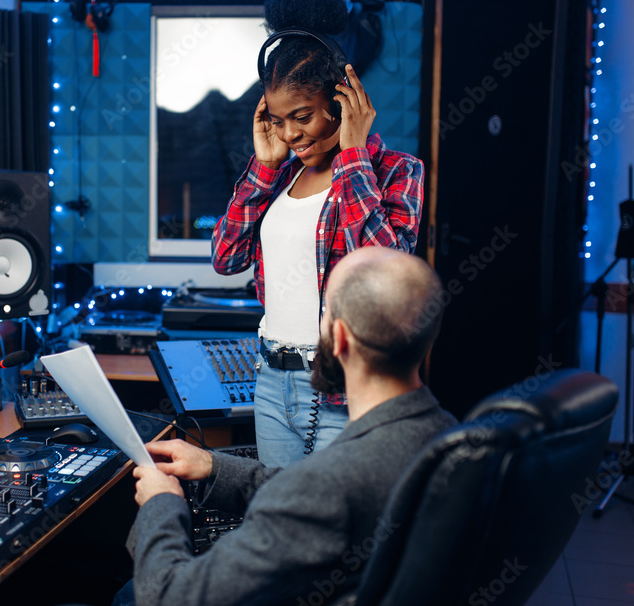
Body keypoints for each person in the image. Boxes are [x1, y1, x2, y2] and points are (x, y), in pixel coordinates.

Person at [117, 246, 456, 606]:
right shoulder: (444, 432)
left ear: (338, 337)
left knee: (129, 595)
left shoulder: (330, 483)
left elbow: (170, 597)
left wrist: (161, 503)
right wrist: (215, 467)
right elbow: (318, 497)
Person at [212, 0, 425, 468]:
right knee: (282, 526)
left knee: (341, 535)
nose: (289, 134)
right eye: (278, 118)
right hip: (270, 381)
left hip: (347, 386)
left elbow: (382, 277)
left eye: (302, 116)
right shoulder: (281, 175)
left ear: (342, 101)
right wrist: (264, 170)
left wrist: (353, 158)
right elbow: (225, 258)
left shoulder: (397, 171)